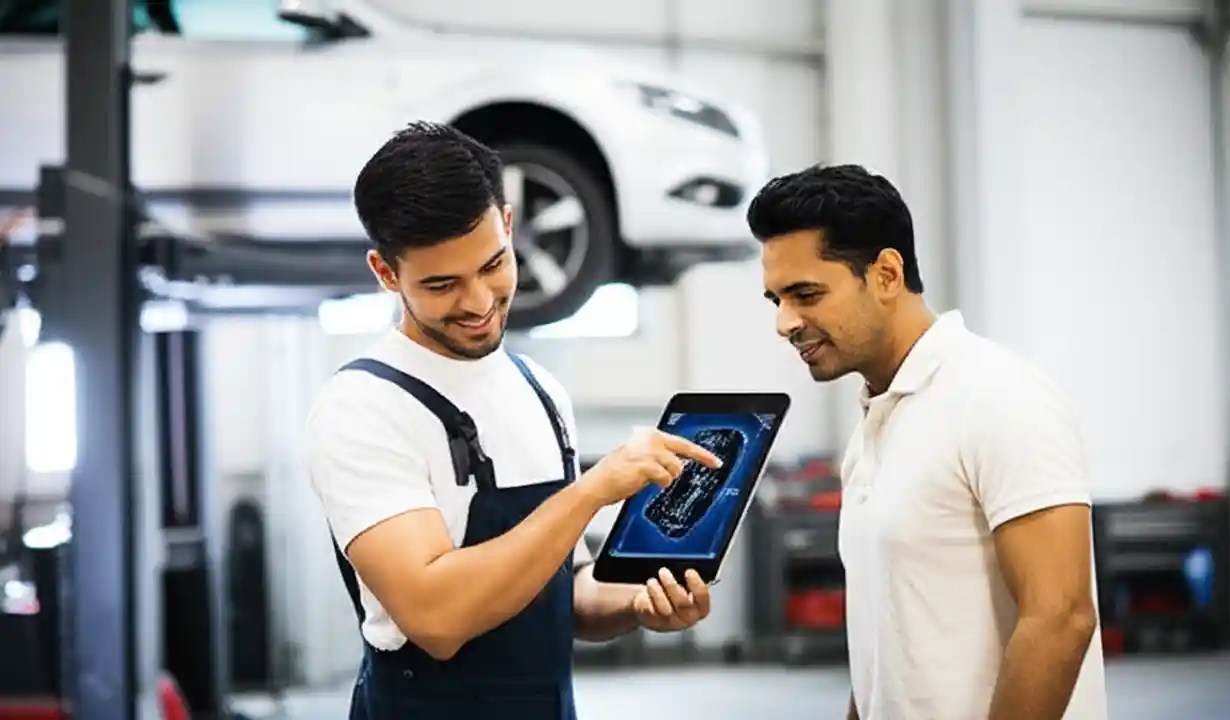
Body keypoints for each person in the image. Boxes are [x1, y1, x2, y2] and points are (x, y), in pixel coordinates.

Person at [304, 121, 722, 720]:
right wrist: (593, 490)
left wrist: (637, 604)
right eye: (442, 284)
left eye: (493, 264)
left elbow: (565, 592)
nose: (476, 302)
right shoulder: (362, 409)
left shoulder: (540, 392)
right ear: (386, 273)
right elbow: (437, 617)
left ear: (507, 220)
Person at [748, 164, 1108, 720]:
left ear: (887, 274)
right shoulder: (875, 425)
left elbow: (1061, 618)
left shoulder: (1000, 396)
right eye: (776, 300)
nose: (785, 322)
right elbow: (883, 651)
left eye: (806, 294)